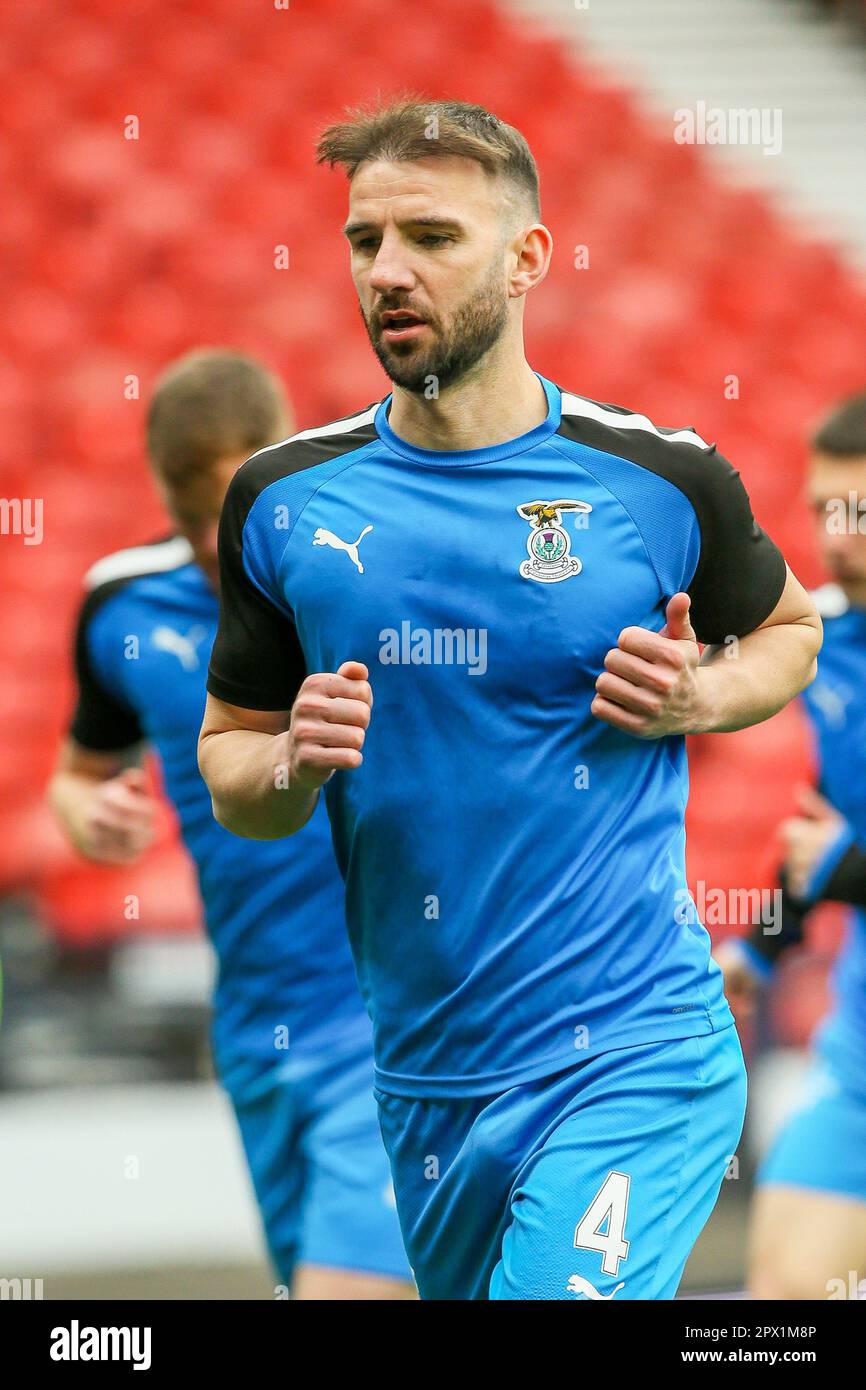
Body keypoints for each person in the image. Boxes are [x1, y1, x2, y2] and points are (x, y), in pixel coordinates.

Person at [198, 100, 822, 1300]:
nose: (387, 271)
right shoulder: (282, 502)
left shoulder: (657, 478)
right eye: (364, 240)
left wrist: (701, 694)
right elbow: (234, 768)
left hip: (633, 1050)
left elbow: (788, 633)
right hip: (427, 1081)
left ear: (527, 257)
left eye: (431, 237)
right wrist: (289, 763)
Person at [50, 349, 412, 1300]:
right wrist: (93, 815)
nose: (216, 547)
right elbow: (77, 776)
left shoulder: (369, 583)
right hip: (256, 1034)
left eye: (234, 515)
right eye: (190, 518)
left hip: (388, 1024)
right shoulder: (122, 605)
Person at [717, 392, 866, 1300]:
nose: (837, 538)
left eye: (862, 513)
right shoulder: (825, 641)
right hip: (859, 1065)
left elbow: (846, 859)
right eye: (823, 510)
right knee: (782, 1302)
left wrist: (854, 871)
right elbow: (827, 829)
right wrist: (761, 950)